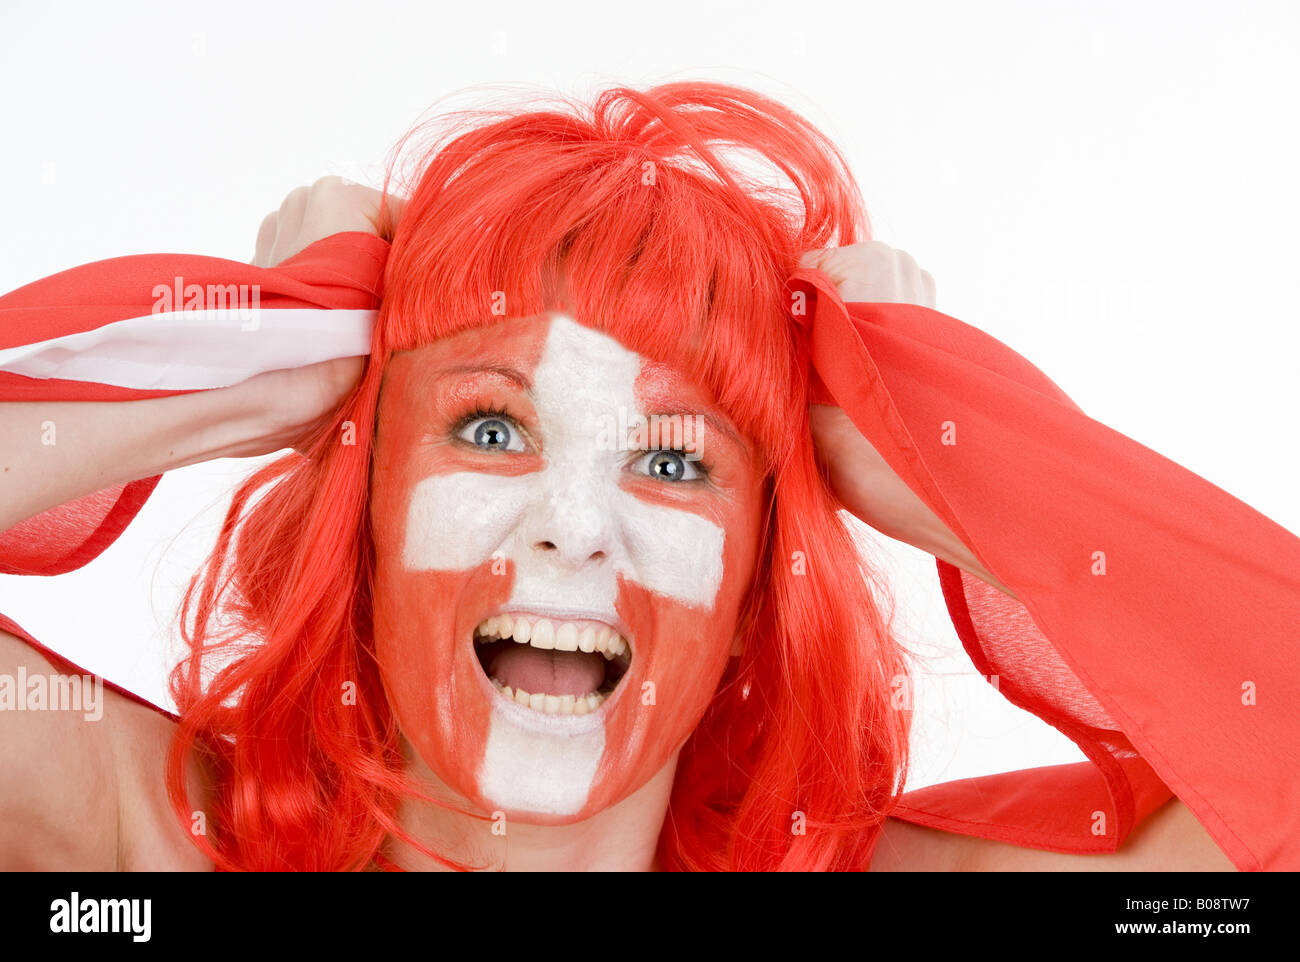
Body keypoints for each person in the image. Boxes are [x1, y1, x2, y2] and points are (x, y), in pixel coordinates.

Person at [0, 83, 1293, 871]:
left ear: (752, 581)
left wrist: (952, 443)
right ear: (370, 515)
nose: (576, 527)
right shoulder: (143, 840)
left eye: (673, 459)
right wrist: (267, 363)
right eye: (491, 431)